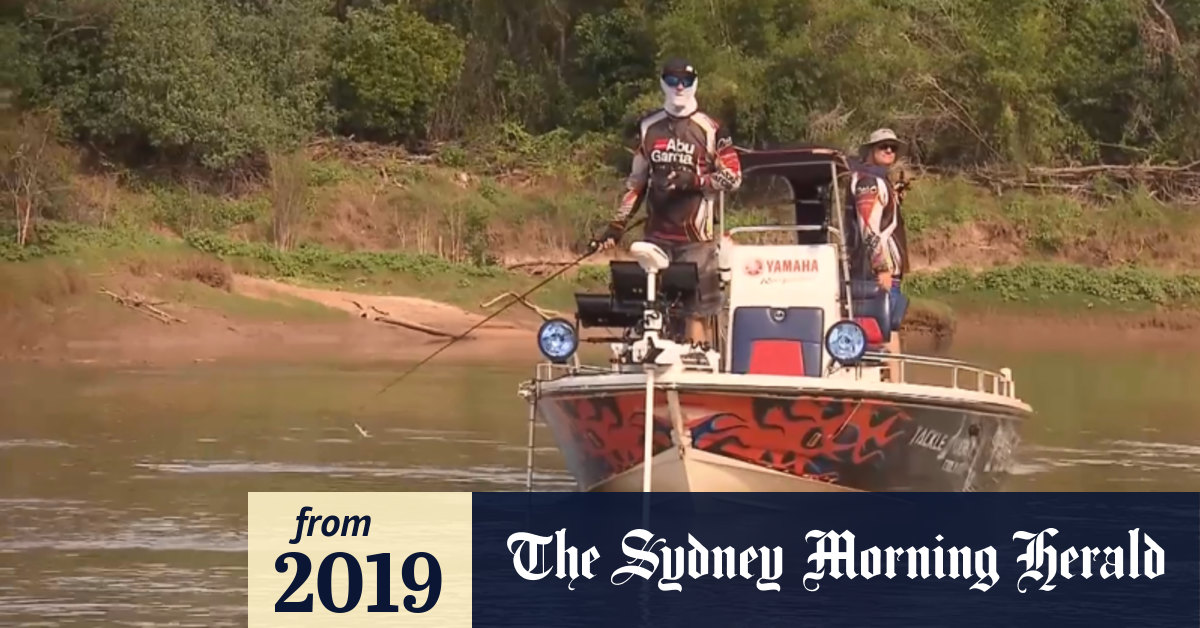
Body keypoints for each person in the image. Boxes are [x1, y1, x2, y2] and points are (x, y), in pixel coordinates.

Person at [595, 58, 742, 346]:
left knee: (695, 313)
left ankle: (698, 368)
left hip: (696, 239)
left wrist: (695, 182)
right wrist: (617, 224)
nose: (679, 87)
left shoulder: (711, 128)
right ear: (663, 82)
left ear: (694, 83)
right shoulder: (648, 126)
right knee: (653, 309)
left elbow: (734, 177)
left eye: (685, 81)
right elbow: (636, 182)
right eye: (673, 80)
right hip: (655, 239)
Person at [848, 128, 911, 372]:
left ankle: (896, 384)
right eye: (882, 146)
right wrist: (881, 266)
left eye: (892, 147)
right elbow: (868, 227)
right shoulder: (870, 181)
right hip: (876, 271)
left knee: (890, 328)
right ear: (870, 150)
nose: (888, 150)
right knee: (883, 329)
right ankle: (893, 386)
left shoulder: (875, 179)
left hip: (881, 270)